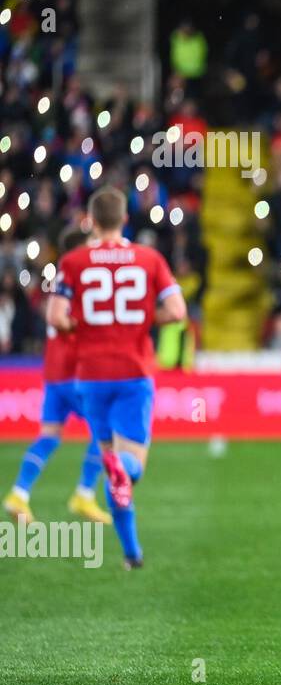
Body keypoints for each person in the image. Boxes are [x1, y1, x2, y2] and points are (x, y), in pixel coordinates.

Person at [46, 187, 188, 569]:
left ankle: (132, 554)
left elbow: (55, 317)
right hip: (133, 370)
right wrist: (143, 319)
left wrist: (82, 324)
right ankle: (124, 473)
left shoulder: (74, 262)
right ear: (125, 219)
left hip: (90, 375)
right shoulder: (149, 258)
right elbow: (176, 311)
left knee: (111, 459)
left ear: (90, 221)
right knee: (130, 463)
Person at [2, 227, 112, 528]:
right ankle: (84, 493)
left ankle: (19, 493)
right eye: (90, 246)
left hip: (54, 372)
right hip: (75, 373)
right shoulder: (80, 279)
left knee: (49, 436)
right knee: (107, 430)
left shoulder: (58, 280)